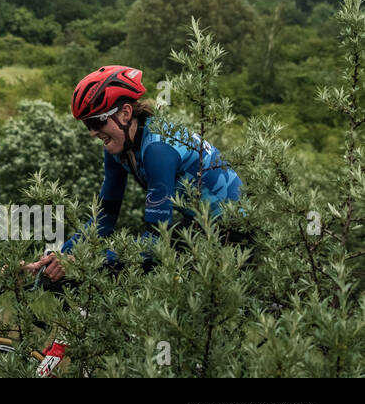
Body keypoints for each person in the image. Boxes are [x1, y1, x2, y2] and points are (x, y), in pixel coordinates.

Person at [23, 65, 243, 282]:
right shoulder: (118, 148)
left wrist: (79, 261)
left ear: (126, 113)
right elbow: (105, 219)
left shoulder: (157, 150)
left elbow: (156, 243)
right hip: (198, 225)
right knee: (63, 277)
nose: (92, 133)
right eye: (86, 125)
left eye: (96, 122)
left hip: (235, 229)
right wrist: (54, 257)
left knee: (113, 274)